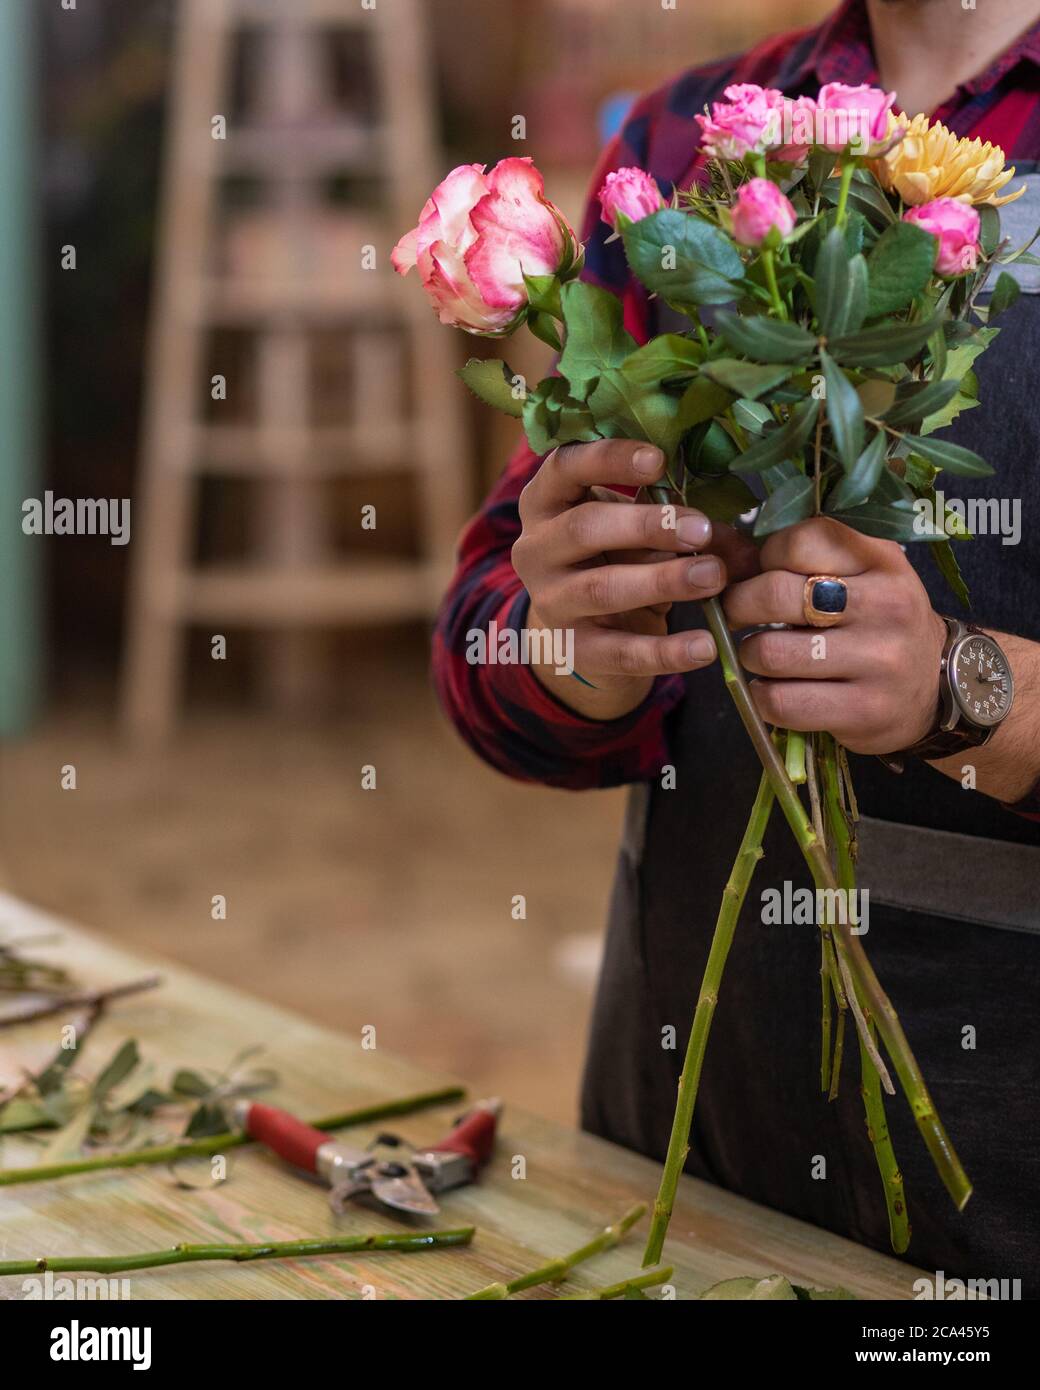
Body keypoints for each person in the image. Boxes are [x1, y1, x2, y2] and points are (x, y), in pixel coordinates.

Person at [432, 0, 1040, 1291]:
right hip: (679, 1157)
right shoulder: (684, 141)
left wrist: (964, 689)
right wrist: (577, 655)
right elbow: (477, 639)